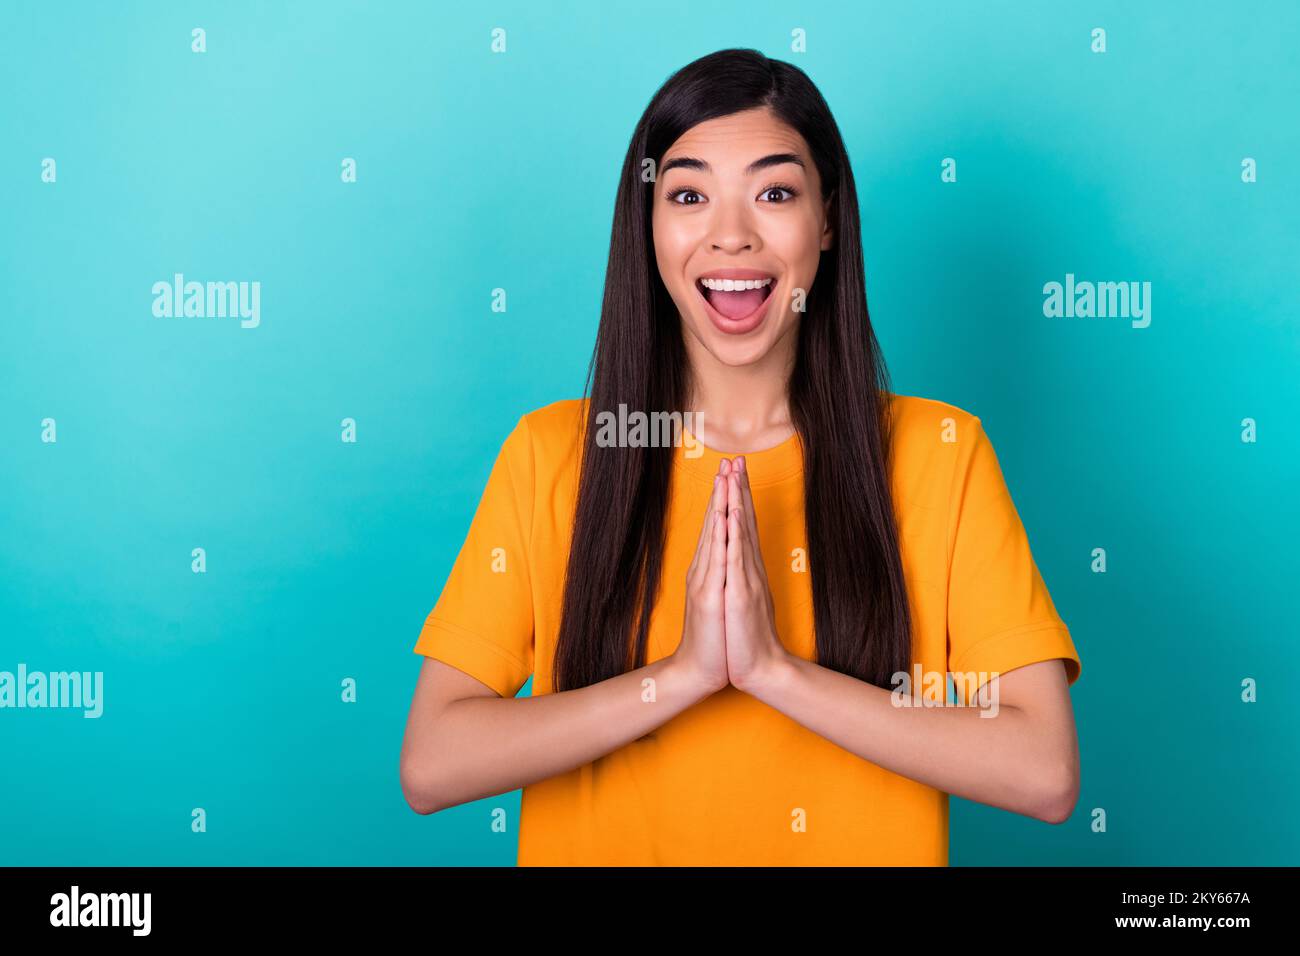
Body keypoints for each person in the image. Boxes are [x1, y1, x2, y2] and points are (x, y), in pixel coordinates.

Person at [399, 48, 1082, 866]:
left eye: (774, 192)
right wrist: (684, 675)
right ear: (646, 226)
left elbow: (1044, 771)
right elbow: (432, 764)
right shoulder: (553, 456)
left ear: (827, 221)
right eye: (688, 194)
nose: (730, 235)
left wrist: (773, 672)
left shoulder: (940, 455)